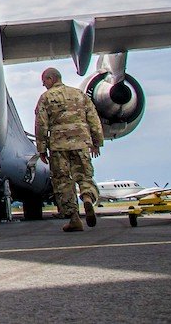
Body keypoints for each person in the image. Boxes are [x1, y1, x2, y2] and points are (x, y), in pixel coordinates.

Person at [35, 67, 104, 232]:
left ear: (51, 79)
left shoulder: (46, 98)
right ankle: (87, 197)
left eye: (44, 81)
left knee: (63, 181)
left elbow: (41, 125)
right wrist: (96, 142)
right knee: (85, 176)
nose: (43, 84)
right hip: (81, 143)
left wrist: (41, 149)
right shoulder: (79, 94)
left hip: (59, 146)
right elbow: (93, 117)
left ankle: (74, 218)